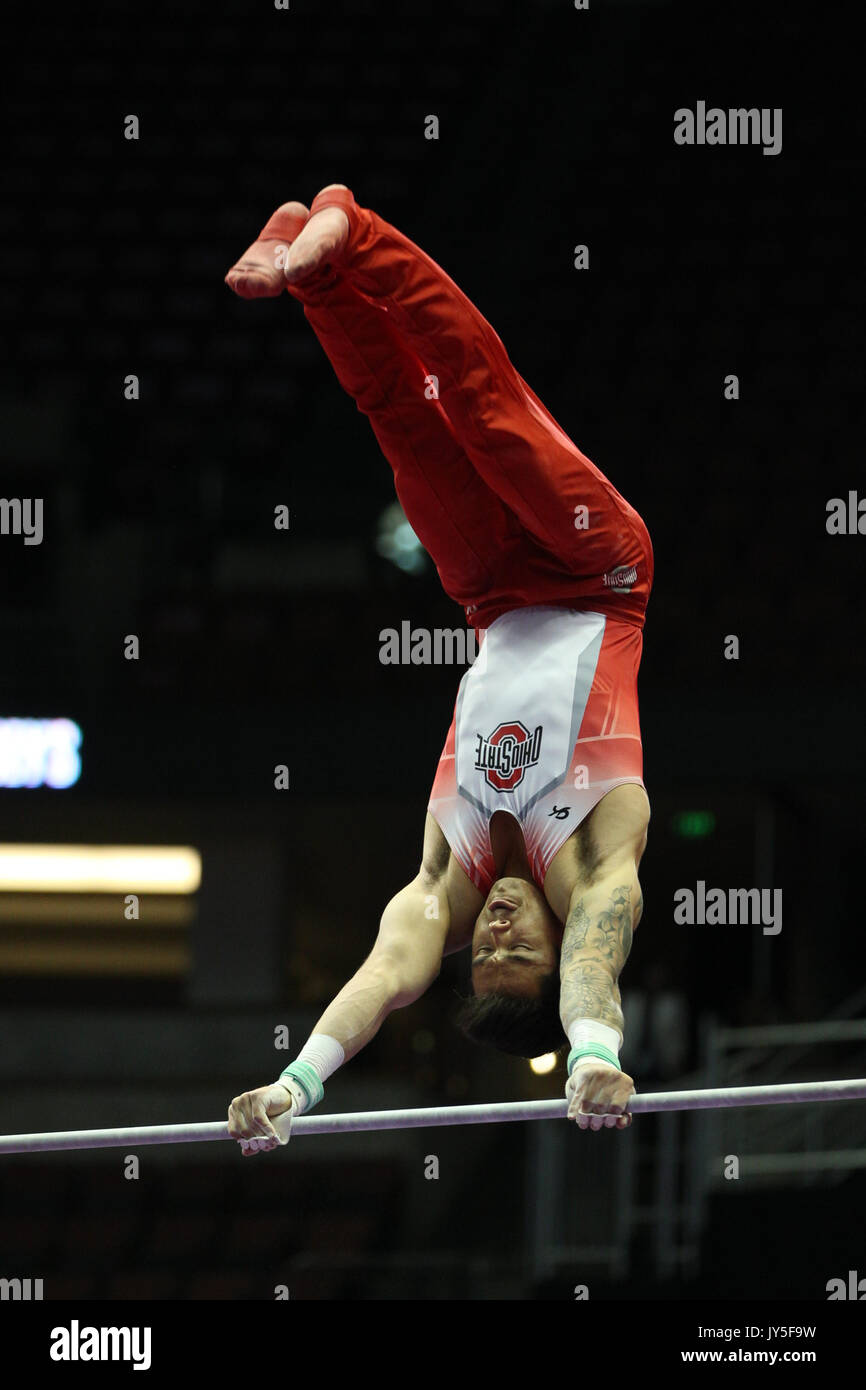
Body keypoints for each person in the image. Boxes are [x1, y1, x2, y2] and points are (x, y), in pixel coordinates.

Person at [224, 185, 653, 1152]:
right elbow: (599, 961)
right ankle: (355, 229)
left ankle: (317, 271)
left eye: (486, 953)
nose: (498, 931)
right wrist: (590, 1054)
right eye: (522, 950)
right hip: (599, 569)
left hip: (491, 596)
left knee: (401, 421)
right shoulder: (593, 865)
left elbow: (383, 977)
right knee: (478, 403)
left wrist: (297, 1086)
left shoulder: (441, 881)